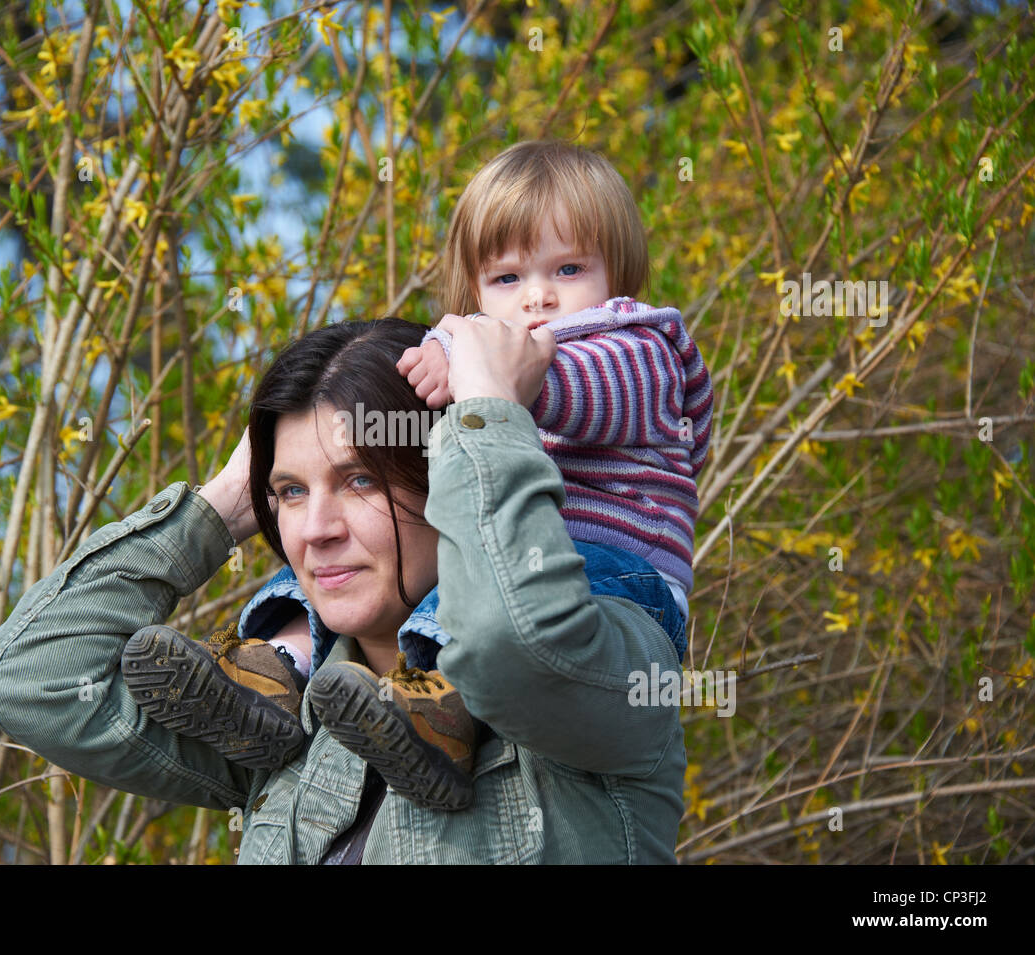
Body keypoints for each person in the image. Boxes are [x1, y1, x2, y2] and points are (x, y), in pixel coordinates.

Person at [0, 316, 687, 863]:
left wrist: (491, 415)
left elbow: (508, 644)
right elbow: (24, 677)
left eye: (359, 479)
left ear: (450, 475)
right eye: (291, 491)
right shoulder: (277, 720)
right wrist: (223, 505)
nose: (316, 529)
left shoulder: (605, 667)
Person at [185, 140, 711, 809]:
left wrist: (495, 386)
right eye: (508, 278)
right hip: (514, 553)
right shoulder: (476, 344)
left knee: (475, 589)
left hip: (620, 576)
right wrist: (433, 358)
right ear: (476, 289)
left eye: (569, 267)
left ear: (620, 273)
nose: (539, 297)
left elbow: (587, 389)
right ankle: (273, 667)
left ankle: (437, 710)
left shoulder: (641, 347)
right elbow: (440, 352)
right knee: (331, 552)